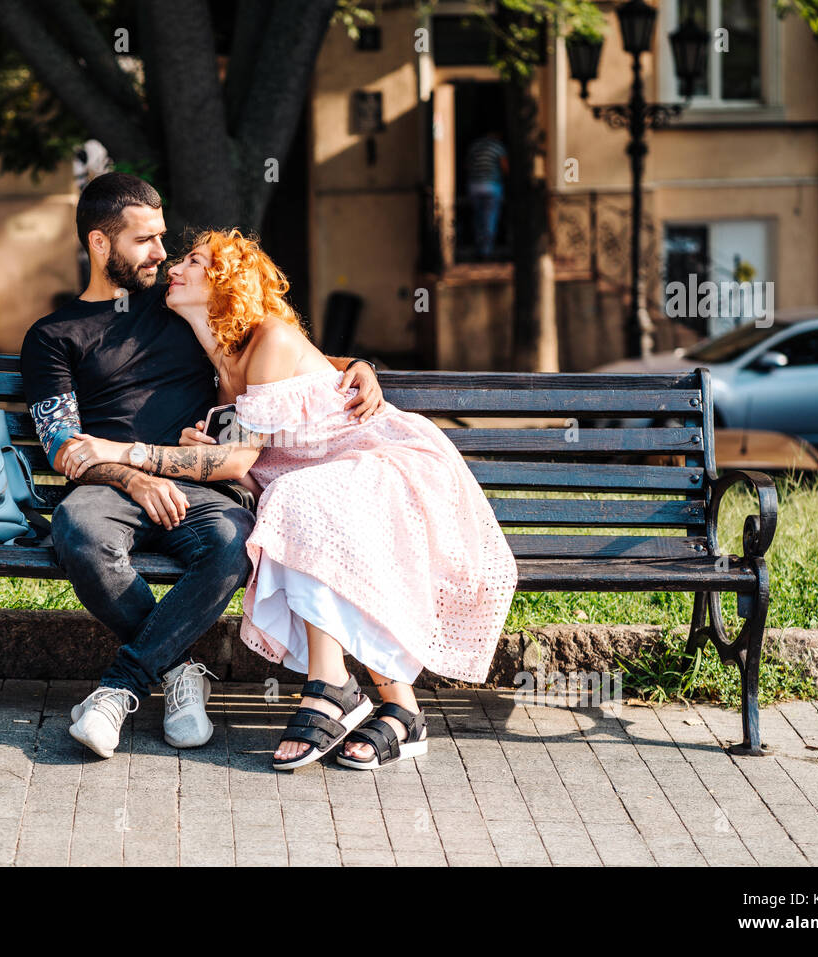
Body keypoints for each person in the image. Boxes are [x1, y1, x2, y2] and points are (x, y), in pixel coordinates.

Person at [57, 228, 518, 771]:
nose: (175, 268)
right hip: (329, 488)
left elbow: (236, 463)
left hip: (388, 462)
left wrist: (122, 451)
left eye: (196, 262)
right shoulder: (221, 368)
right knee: (298, 507)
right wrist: (203, 447)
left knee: (297, 502)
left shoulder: (268, 340)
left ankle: (331, 686)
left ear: (227, 282)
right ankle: (402, 713)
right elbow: (236, 451)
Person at [19, 173, 384, 759]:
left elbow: (273, 349)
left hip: (201, 482)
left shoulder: (179, 309)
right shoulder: (53, 337)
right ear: (99, 244)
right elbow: (63, 445)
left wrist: (354, 363)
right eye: (146, 241)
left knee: (236, 540)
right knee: (77, 531)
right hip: (113, 487)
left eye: (165, 240)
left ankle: (119, 688)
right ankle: (179, 669)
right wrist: (134, 477)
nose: (163, 255)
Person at [466, 132, 508, 260]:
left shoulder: (475, 146)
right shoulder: (498, 147)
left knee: (478, 218)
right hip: (492, 186)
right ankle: (486, 251)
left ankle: (480, 247)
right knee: (489, 218)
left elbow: (467, 165)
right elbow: (505, 168)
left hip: (474, 186)